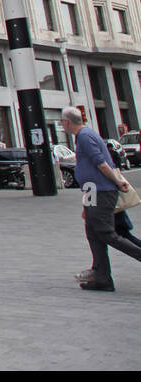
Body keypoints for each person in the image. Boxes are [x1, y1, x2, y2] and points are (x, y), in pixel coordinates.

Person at [63, 107, 141, 291]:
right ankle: (102, 278)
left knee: (105, 232)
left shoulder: (84, 136)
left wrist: (116, 182)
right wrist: (86, 205)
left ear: (68, 122)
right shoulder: (84, 135)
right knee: (92, 232)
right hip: (92, 191)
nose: (62, 124)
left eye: (62, 121)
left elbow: (101, 163)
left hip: (101, 190)